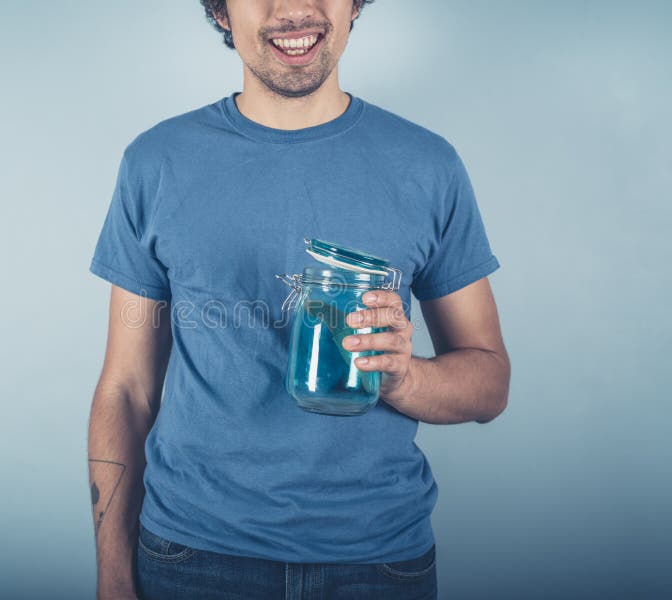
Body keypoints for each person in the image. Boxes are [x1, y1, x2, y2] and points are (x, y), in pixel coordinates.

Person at [86, 1, 510, 598]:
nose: (295, 9)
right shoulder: (155, 164)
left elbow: (490, 384)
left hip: (379, 561)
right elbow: (125, 390)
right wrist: (112, 576)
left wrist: (400, 379)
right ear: (221, 11)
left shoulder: (427, 166)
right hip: (191, 556)